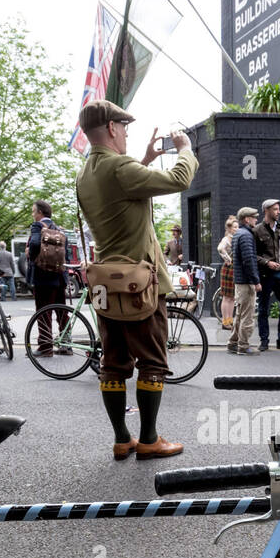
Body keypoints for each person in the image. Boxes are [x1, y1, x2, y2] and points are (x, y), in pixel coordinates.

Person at [75, 100, 196, 460]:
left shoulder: (86, 173)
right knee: (152, 361)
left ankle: (121, 438)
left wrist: (141, 161)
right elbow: (180, 178)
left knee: (112, 362)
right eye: (125, 126)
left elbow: (119, 197)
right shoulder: (120, 167)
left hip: (105, 286)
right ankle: (150, 439)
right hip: (140, 284)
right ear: (112, 128)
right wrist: (185, 150)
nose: (127, 132)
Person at [253, 197, 280, 351]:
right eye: (275, 209)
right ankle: (264, 341)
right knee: (263, 308)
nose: (278, 212)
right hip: (265, 275)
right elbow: (253, 255)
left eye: (278, 209)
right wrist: (267, 262)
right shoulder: (257, 230)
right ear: (266, 210)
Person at [27, 199, 69, 353]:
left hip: (43, 277)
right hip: (60, 276)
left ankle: (45, 346)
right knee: (62, 312)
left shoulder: (38, 227)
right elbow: (67, 254)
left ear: (40, 213)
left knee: (43, 312)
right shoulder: (59, 229)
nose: (32, 214)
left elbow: (34, 246)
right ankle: (66, 344)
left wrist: (30, 255)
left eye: (33, 211)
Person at [228, 206, 261, 356]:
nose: (256, 219)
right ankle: (243, 346)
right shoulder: (246, 235)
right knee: (247, 316)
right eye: (254, 217)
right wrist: (256, 281)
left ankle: (233, 343)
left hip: (239, 281)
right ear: (247, 219)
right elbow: (249, 260)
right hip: (246, 282)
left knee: (240, 314)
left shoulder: (238, 234)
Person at [216, 214, 237, 329]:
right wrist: (228, 259)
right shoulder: (227, 239)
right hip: (228, 269)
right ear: (229, 228)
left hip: (232, 269)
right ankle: (225, 322)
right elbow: (220, 248)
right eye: (234, 227)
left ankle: (230, 320)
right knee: (226, 297)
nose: (236, 229)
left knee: (232, 297)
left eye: (237, 227)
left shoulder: (233, 238)